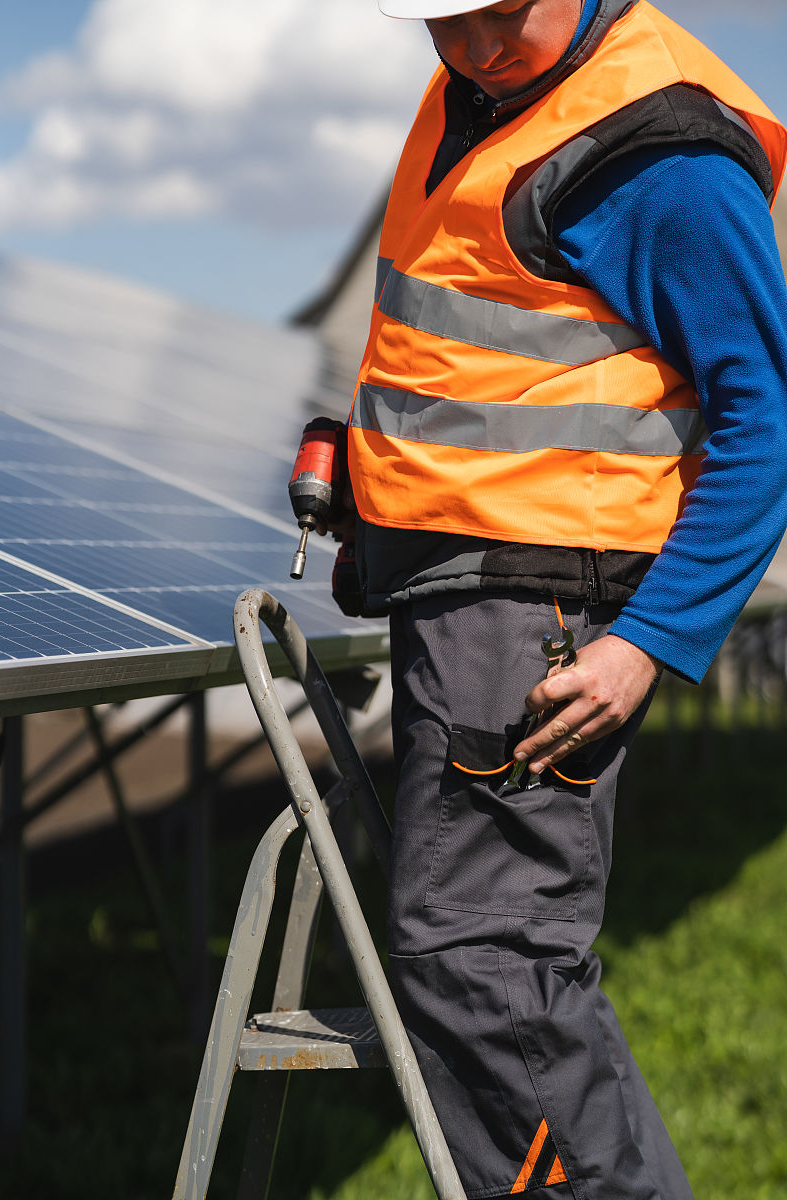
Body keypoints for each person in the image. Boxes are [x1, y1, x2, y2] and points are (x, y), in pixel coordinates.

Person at [336, 2, 787, 1196]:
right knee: (475, 963)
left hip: (542, 627)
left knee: (486, 966)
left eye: (498, 15)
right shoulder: (480, 96)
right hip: (469, 605)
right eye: (446, 22)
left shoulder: (657, 151)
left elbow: (763, 427)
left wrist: (649, 642)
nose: (475, 46)